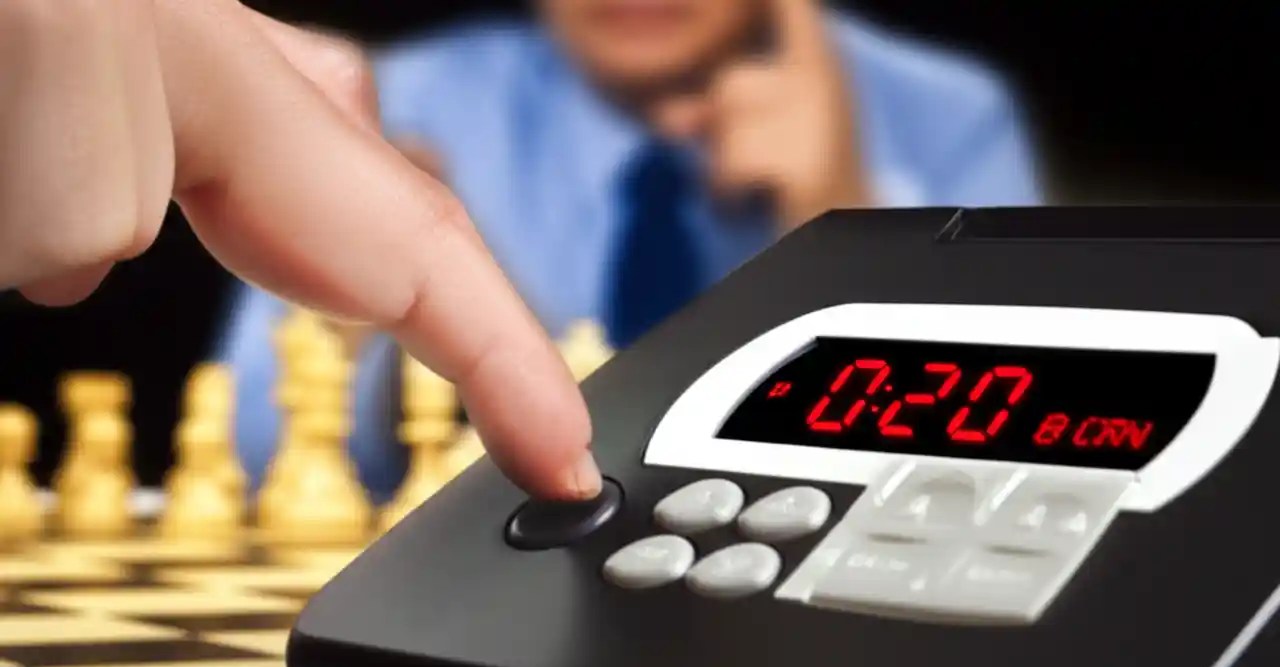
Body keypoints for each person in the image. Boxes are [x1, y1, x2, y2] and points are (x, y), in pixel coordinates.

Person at [0, 1, 1034, 505]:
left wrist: (842, 216)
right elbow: (252, 460)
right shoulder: (410, 97)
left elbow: (1030, 467)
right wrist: (337, 324)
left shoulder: (941, 115)